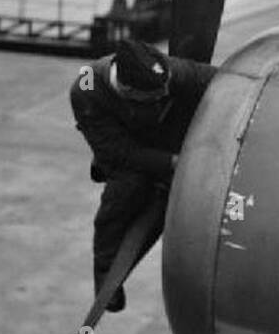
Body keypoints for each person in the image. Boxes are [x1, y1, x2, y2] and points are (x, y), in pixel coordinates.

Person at [70, 38, 216, 312]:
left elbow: (220, 81)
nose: (164, 94)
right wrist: (174, 162)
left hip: (164, 135)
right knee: (124, 197)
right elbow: (118, 152)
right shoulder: (87, 88)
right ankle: (105, 276)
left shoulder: (169, 72)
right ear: (125, 89)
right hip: (124, 151)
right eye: (154, 96)